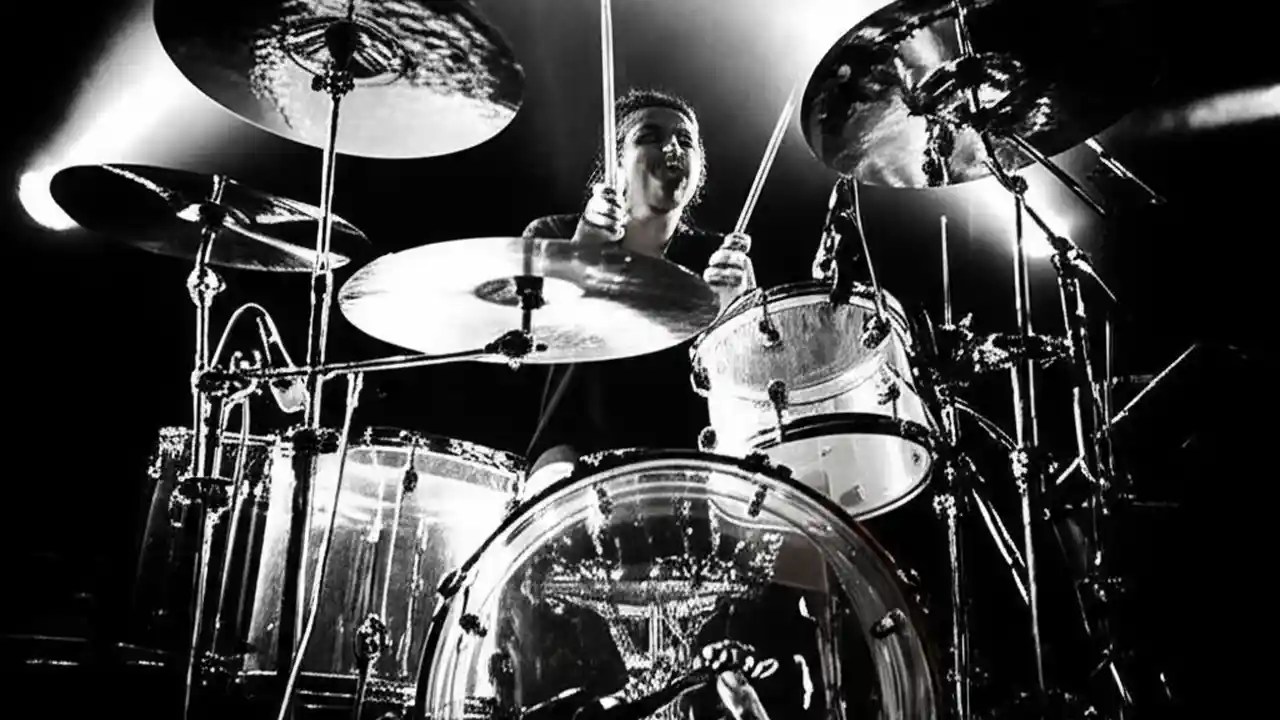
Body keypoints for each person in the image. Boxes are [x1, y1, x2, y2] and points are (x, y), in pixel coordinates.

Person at [519, 87, 756, 480]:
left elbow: (752, 392)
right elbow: (528, 333)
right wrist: (580, 253)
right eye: (649, 137)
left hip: (694, 468)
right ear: (615, 163)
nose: (673, 149)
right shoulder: (555, 234)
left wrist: (736, 318)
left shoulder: (717, 259)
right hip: (571, 465)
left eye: (686, 141)